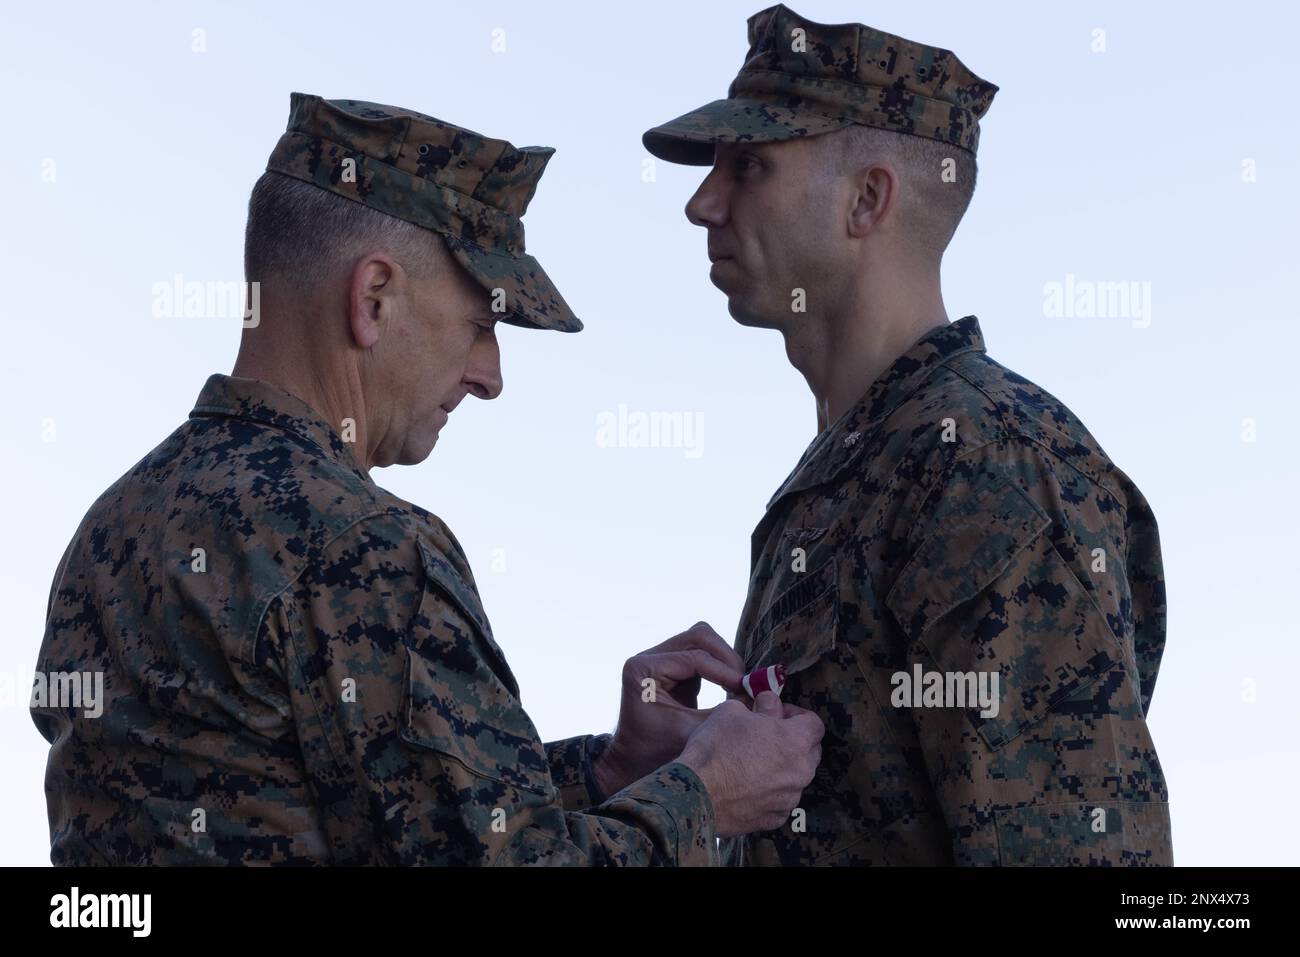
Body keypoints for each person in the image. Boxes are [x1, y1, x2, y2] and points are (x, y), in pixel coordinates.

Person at [31, 92, 824, 866]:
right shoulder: (364, 546)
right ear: (374, 298)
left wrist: (612, 770)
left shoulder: (113, 526)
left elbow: (362, 813)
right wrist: (706, 794)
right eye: (482, 325)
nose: (491, 375)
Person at [643, 4, 1172, 866]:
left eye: (749, 167)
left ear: (868, 199)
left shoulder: (990, 458)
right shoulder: (859, 462)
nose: (703, 203)